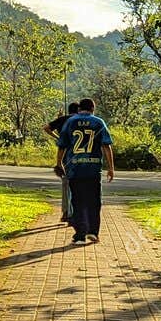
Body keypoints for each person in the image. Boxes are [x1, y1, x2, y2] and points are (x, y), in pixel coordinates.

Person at [56, 98, 114, 245]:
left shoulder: (70, 122)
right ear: (93, 108)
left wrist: (59, 163)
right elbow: (106, 146)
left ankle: (80, 234)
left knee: (77, 201)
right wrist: (111, 168)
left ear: (79, 109)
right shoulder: (98, 122)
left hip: (75, 169)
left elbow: (62, 145)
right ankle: (93, 232)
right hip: (93, 169)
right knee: (94, 201)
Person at [45, 101, 79, 224]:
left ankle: (66, 212)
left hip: (64, 156)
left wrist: (56, 137)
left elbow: (46, 127)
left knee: (66, 185)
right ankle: (75, 213)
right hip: (79, 156)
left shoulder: (62, 120)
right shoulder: (80, 120)